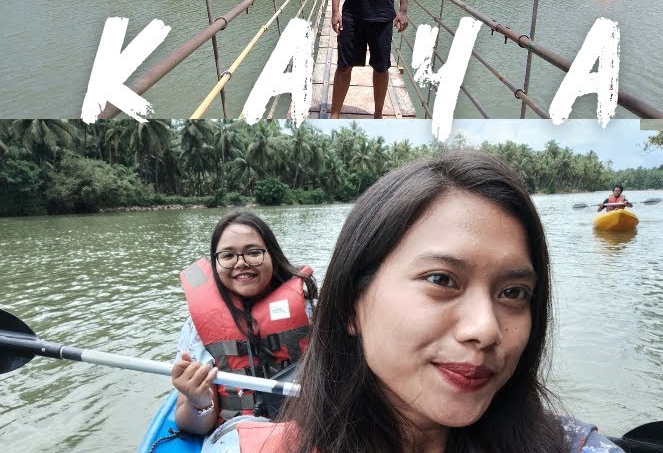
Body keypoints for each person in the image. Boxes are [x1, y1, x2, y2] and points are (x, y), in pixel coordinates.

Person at [210, 151, 623, 453]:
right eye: (441, 279)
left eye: (513, 292)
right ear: (352, 305)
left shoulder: (574, 447)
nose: (486, 330)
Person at [170, 212, 317, 436]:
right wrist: (198, 400)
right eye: (228, 255)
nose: (241, 263)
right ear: (216, 264)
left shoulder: (313, 311)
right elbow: (192, 426)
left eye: (254, 252)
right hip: (235, 437)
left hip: (307, 431)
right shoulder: (196, 329)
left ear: (273, 258)